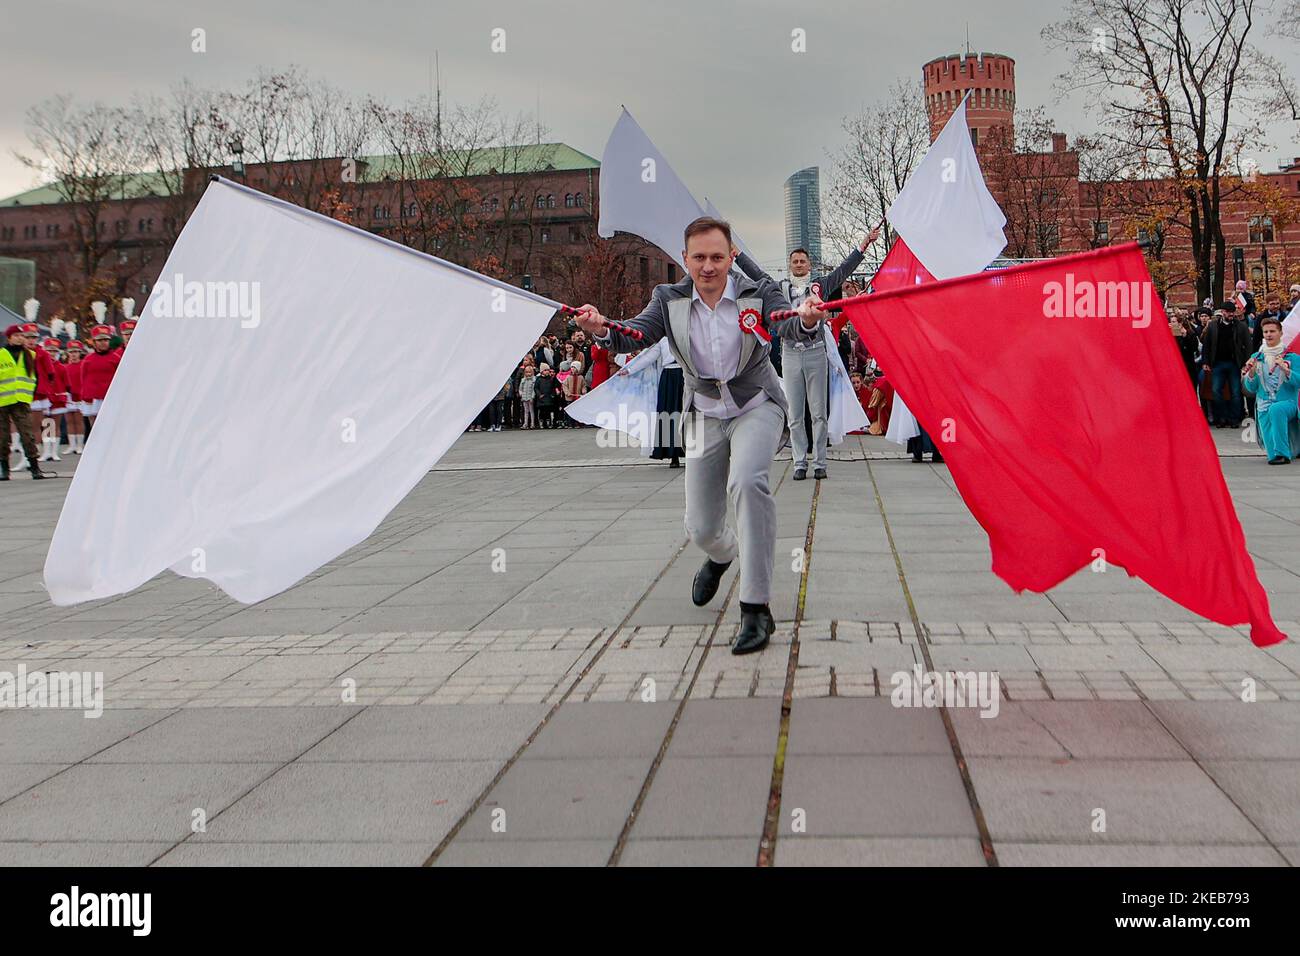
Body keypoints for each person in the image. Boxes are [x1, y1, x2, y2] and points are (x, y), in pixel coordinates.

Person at [574, 215, 825, 655]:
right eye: (699, 257)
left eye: (717, 257)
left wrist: (805, 320)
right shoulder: (668, 299)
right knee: (701, 526)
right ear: (686, 260)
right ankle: (722, 555)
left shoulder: (756, 292)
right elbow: (636, 333)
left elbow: (787, 324)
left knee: (749, 482)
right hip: (702, 415)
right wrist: (601, 328)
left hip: (755, 404)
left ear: (731, 258)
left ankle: (755, 606)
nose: (708, 266)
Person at [736, 227, 878, 481]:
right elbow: (756, 274)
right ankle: (800, 461)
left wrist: (864, 245)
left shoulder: (819, 286)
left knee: (819, 411)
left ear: (809, 264)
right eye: (795, 261)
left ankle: (820, 462)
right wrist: (736, 255)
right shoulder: (778, 288)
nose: (799, 265)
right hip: (790, 352)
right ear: (789, 265)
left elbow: (843, 270)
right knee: (795, 411)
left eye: (803, 261)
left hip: (815, 352)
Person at [1241, 316, 1300, 464]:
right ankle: (1281, 453)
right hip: (1263, 403)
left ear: (1280, 333)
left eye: (1272, 331)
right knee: (1271, 456)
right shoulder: (1256, 357)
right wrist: (1252, 373)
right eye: (1266, 331)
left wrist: (1287, 371)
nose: (1269, 334)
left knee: (1276, 409)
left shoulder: (1292, 357)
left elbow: (1298, 382)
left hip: (1287, 402)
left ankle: (1283, 455)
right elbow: (1251, 388)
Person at [0, 324, 55, 479]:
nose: (20, 338)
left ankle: (34, 467)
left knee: (27, 434)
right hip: (2, 400)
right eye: (16, 335)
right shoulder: (1, 354)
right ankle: (4, 468)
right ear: (9, 338)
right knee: (3, 437)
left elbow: (35, 377)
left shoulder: (30, 355)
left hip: (21, 400)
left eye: (21, 335)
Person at [1200, 304, 1250, 428]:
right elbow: (1207, 345)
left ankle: (1234, 419)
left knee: (1236, 392)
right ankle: (1221, 418)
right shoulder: (1213, 326)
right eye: (1228, 312)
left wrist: (1247, 362)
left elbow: (1248, 345)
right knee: (1216, 391)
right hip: (1217, 364)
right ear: (1223, 312)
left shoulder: (1241, 326)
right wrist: (1206, 362)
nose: (1231, 314)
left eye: (1232, 312)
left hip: (1234, 364)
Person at [78, 324, 123, 439]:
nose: (103, 343)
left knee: (110, 425)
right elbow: (84, 379)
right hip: (93, 398)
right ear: (94, 342)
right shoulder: (88, 360)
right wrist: (85, 396)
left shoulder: (115, 358)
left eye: (106, 340)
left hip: (110, 397)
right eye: (100, 340)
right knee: (95, 427)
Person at [650, 343, 685, 467]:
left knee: (687, 414)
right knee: (669, 414)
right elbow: (649, 356)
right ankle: (673, 455)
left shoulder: (685, 332)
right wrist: (629, 369)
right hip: (668, 377)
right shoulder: (662, 339)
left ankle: (691, 451)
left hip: (685, 375)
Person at [61, 338, 86, 454]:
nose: (73, 354)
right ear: (67, 353)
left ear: (80, 353)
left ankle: (80, 445)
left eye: (76, 352)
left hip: (80, 395)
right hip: (69, 396)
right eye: (71, 352)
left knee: (78, 420)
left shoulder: (83, 365)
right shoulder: (65, 367)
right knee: (69, 421)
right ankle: (72, 445)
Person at [534, 363, 560, 429]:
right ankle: (542, 422)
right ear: (541, 371)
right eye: (545, 370)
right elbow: (536, 388)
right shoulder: (539, 379)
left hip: (549, 398)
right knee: (542, 411)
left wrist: (553, 394)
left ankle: (548, 423)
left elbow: (553, 387)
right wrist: (539, 394)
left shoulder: (550, 379)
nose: (547, 372)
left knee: (548, 411)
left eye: (548, 370)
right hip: (541, 399)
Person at [518, 363, 538, 429]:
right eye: (526, 372)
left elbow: (534, 389)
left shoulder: (534, 380)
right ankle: (525, 423)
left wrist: (532, 397)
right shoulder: (523, 380)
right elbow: (520, 388)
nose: (528, 374)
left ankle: (532, 423)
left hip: (530, 398)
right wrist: (521, 394)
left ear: (532, 372)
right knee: (525, 411)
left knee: (531, 411)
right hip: (524, 397)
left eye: (529, 372)